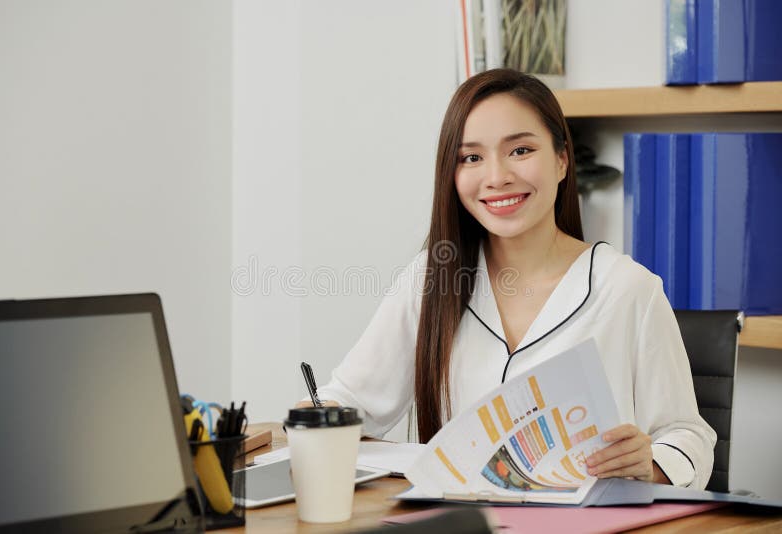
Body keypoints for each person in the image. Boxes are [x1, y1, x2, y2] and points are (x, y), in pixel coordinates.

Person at [304, 69, 715, 490]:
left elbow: (688, 436)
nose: (496, 176)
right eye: (471, 158)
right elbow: (350, 402)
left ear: (561, 160)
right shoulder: (433, 278)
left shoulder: (629, 289)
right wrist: (314, 418)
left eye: (520, 150)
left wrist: (649, 462)